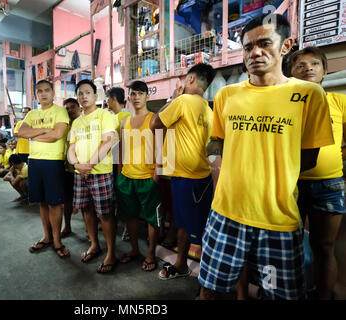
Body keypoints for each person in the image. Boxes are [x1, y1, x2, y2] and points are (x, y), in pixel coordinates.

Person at [198, 14, 334, 300]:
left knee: (280, 295)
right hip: (225, 214)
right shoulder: (226, 95)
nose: (255, 53)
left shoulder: (310, 95)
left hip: (278, 219)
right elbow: (220, 144)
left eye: (264, 43)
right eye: (248, 47)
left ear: (286, 46)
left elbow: (308, 159)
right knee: (209, 290)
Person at [150, 63, 215, 280]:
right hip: (193, 176)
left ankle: (207, 280)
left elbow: (154, 123)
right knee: (186, 225)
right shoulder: (208, 109)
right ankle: (181, 265)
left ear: (191, 80)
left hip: (189, 178)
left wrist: (172, 98)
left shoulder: (183, 101)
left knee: (199, 229)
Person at [290, 46, 346, 300]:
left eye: (315, 64)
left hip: (329, 184)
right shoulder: (283, 104)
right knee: (289, 248)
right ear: (291, 73)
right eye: (300, 65)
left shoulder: (338, 101)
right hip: (290, 184)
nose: (308, 68)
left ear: (324, 71)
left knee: (324, 246)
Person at [67, 79, 118, 273]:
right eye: (80, 93)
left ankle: (111, 253)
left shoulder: (104, 115)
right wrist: (76, 164)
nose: (83, 96)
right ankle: (95, 245)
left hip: (100, 172)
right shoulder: (77, 121)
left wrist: (89, 164)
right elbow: (71, 148)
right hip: (81, 173)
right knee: (86, 210)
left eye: (87, 92)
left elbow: (107, 142)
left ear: (96, 96)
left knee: (105, 214)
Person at [18, 79, 70, 258]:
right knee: (41, 202)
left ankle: (57, 240)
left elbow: (57, 135)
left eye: (47, 90)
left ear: (52, 92)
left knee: (54, 203)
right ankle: (47, 237)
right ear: (36, 95)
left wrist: (34, 135)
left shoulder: (60, 111)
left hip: (52, 161)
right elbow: (21, 133)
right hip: (34, 162)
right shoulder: (32, 114)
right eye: (40, 91)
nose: (44, 93)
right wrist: (43, 131)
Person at [116, 80, 161, 272]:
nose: (136, 98)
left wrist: (155, 177)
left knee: (152, 219)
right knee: (130, 217)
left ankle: (150, 253)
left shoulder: (154, 119)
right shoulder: (124, 122)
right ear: (129, 97)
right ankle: (134, 249)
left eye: (140, 94)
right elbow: (122, 150)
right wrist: (119, 174)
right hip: (126, 177)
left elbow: (161, 149)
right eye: (133, 94)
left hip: (147, 178)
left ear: (147, 96)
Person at [106, 87, 132, 241]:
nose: (106, 102)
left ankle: (128, 228)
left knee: (123, 197)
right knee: (118, 197)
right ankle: (121, 226)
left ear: (113, 99)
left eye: (108, 98)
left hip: (120, 163)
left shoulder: (123, 116)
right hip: (116, 161)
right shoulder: (116, 115)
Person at [61, 98, 82, 237]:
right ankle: (67, 226)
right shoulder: (64, 126)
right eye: (67, 108)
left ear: (79, 108)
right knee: (67, 200)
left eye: (72, 107)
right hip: (67, 169)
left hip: (82, 168)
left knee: (86, 204)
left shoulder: (84, 124)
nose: (70, 110)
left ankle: (89, 230)